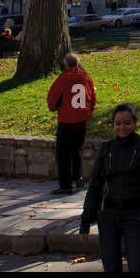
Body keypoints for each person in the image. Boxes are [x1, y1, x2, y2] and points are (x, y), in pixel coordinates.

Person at [79, 104, 140, 272]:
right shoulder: (106, 149)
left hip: (134, 216)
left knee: (136, 265)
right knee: (111, 266)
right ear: (113, 125)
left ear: (134, 124)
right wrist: (86, 220)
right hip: (108, 216)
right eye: (118, 123)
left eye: (127, 123)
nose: (122, 127)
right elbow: (95, 185)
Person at [47, 53, 97, 194]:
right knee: (77, 149)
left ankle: (65, 184)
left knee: (63, 154)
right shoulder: (86, 78)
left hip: (66, 120)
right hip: (81, 119)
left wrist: (55, 107)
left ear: (65, 64)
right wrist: (88, 113)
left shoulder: (63, 79)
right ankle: (77, 176)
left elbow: (52, 99)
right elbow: (92, 97)